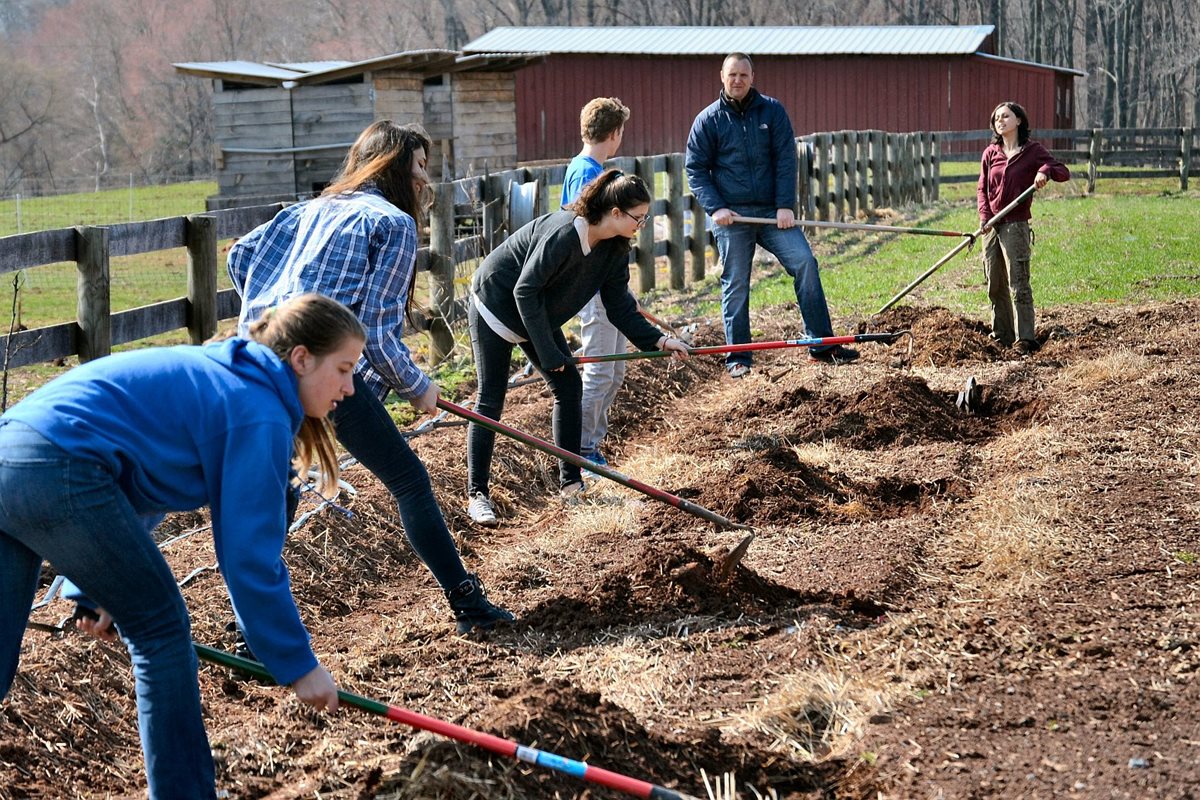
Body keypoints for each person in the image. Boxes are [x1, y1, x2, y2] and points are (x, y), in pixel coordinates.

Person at [0, 293, 363, 800]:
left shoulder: (224, 376)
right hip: (59, 465)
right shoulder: (256, 411)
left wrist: (94, 591)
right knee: (161, 631)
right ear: (301, 358)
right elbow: (248, 559)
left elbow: (141, 480)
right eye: (344, 369)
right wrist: (298, 665)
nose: (350, 387)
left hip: (13, 453)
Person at [227, 120, 513, 634]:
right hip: (325, 375)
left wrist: (268, 308)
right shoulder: (391, 223)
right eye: (420, 166)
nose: (425, 179)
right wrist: (418, 387)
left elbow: (240, 255)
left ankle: (250, 626)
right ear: (396, 167)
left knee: (282, 489)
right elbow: (378, 334)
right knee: (408, 480)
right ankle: (468, 604)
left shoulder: (306, 209)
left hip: (262, 365)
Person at [466, 169, 690, 525]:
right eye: (638, 217)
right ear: (615, 212)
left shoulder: (615, 248)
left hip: (537, 313)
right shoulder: (564, 233)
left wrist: (659, 340)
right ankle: (477, 495)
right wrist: (548, 351)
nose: (642, 225)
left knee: (569, 388)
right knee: (490, 400)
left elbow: (619, 307)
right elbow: (524, 290)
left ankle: (571, 484)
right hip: (495, 305)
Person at [685, 52, 858, 378]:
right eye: (732, 75)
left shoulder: (772, 112)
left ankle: (821, 344)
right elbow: (695, 169)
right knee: (736, 282)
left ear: (753, 77)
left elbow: (785, 160)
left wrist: (784, 205)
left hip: (771, 212)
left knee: (804, 262)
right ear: (722, 76)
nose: (738, 80)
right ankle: (738, 358)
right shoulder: (708, 121)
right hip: (732, 217)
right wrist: (716, 207)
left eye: (743, 75)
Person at [561, 97, 631, 472]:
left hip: (607, 285)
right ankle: (582, 452)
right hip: (594, 287)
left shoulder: (589, 169)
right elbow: (584, 233)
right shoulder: (587, 174)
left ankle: (593, 445)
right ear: (614, 133)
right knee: (600, 370)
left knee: (614, 371)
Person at [977, 101, 1070, 355]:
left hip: (1015, 225)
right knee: (994, 283)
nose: (1000, 121)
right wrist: (985, 217)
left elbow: (1062, 171)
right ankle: (1002, 335)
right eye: (997, 118)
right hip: (992, 226)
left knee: (1018, 283)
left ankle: (1025, 339)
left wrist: (1044, 171)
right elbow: (982, 188)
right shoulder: (990, 153)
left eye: (1005, 116)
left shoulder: (1032, 151)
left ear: (1018, 120)